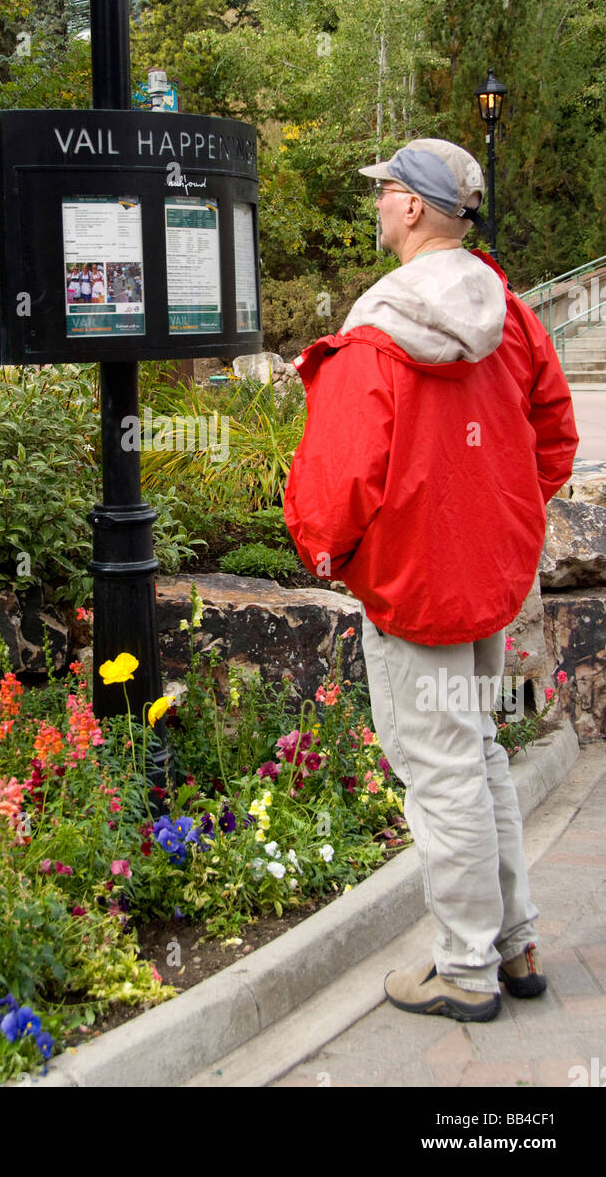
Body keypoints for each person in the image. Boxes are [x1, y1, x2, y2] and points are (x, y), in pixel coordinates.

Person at [283, 138, 578, 1023]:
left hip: (415, 588)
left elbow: (332, 491)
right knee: (477, 750)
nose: (376, 205)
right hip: (487, 577)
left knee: (441, 769)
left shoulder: (375, 333)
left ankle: (462, 971)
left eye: (384, 194)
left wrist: (338, 556)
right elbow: (553, 438)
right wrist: (496, 523)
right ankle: (513, 942)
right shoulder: (513, 315)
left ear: (413, 208)